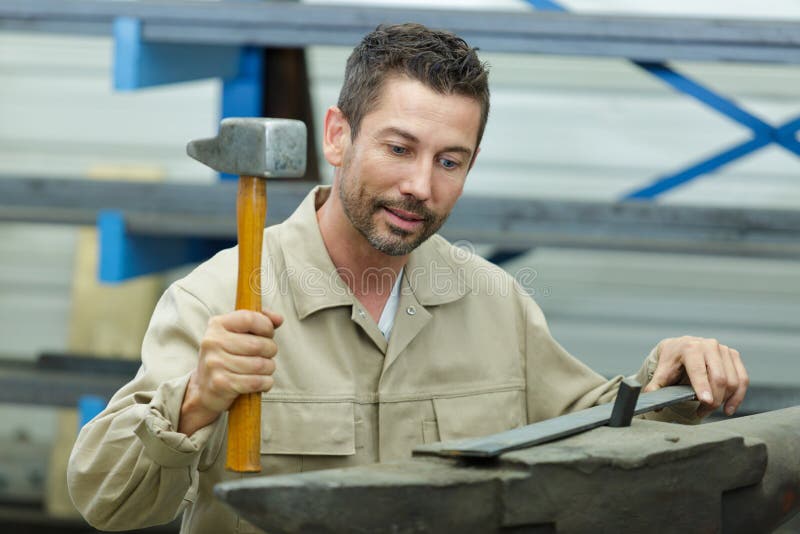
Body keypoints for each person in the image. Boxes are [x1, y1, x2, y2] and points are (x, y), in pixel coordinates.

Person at [67, 23, 748, 534]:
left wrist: (674, 378)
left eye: (451, 161)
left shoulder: (494, 302)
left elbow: (594, 428)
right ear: (337, 135)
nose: (421, 186)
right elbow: (107, 501)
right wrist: (193, 402)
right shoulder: (220, 299)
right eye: (399, 149)